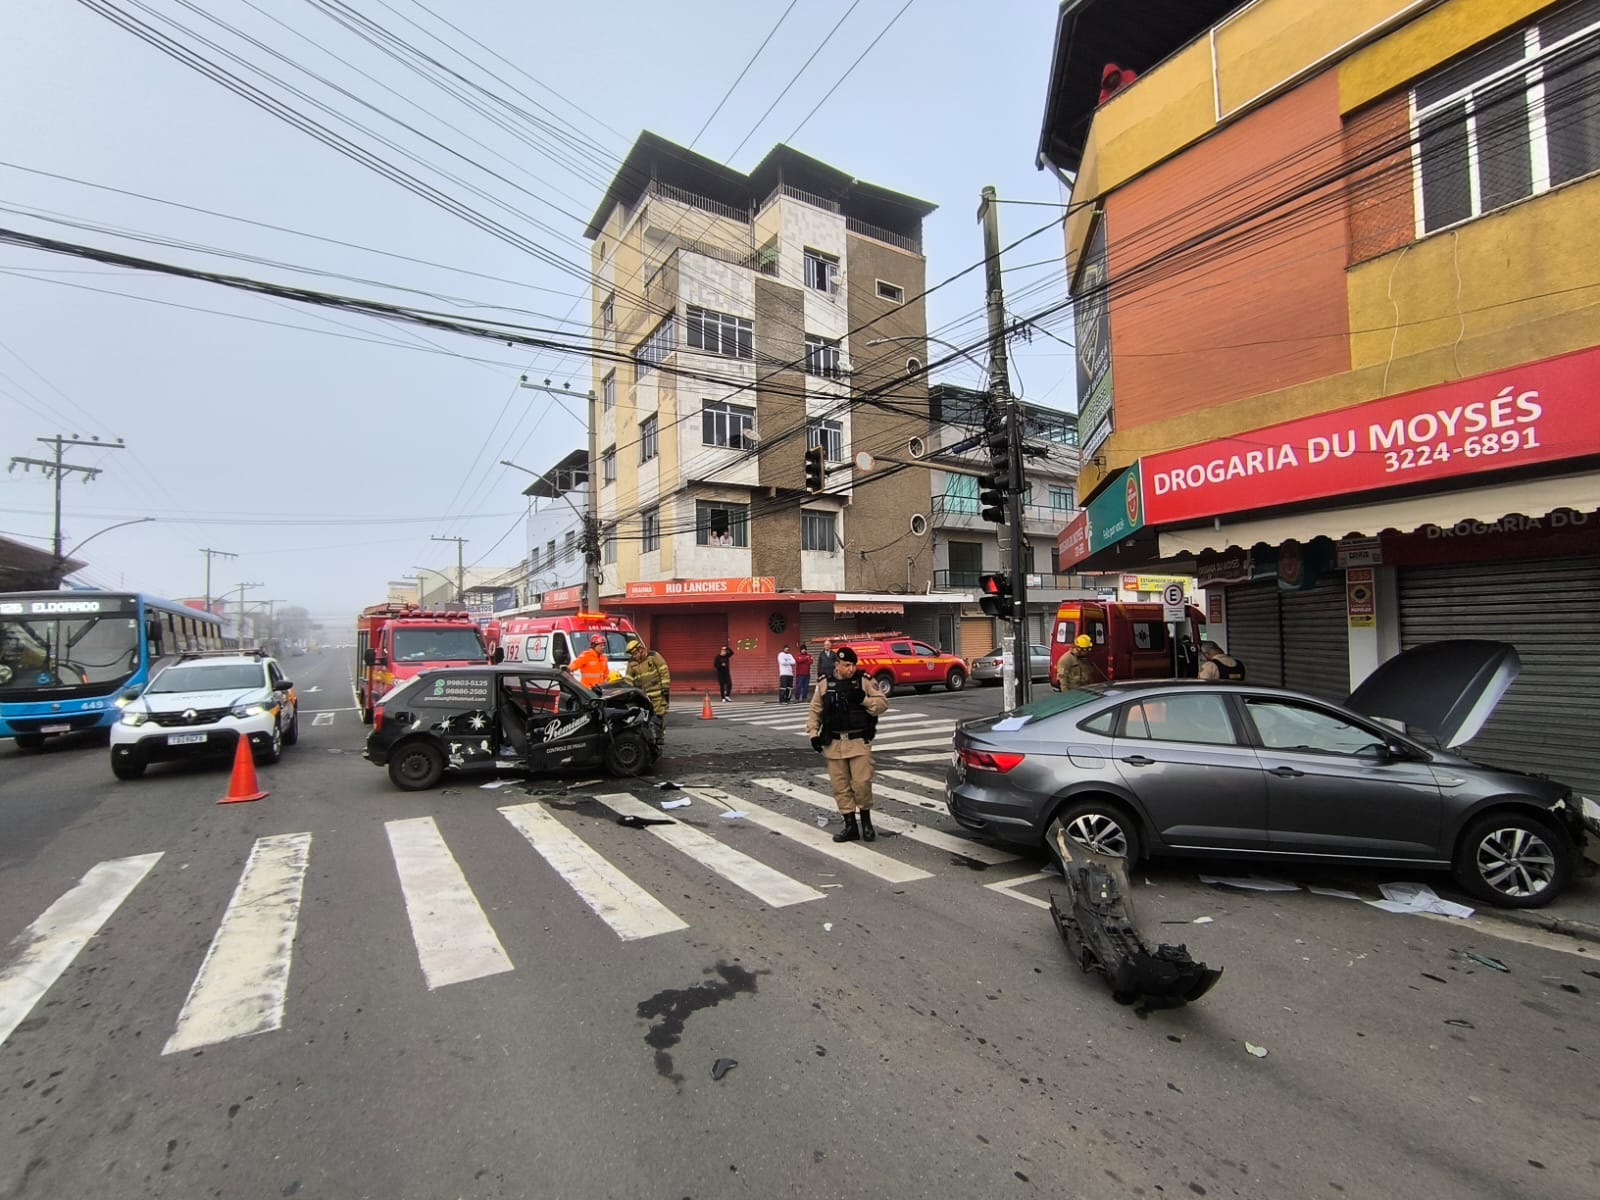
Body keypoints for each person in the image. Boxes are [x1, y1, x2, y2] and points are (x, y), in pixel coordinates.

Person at [807, 646, 890, 843]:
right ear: (837, 664)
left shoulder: (864, 680)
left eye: (853, 665)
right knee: (840, 787)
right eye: (846, 665)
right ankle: (850, 825)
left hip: (858, 741)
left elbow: (883, 704)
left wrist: (864, 699)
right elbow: (815, 710)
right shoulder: (825, 683)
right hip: (834, 743)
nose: (851, 669)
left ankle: (866, 823)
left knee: (862, 784)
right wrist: (813, 734)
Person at [625, 637, 671, 745]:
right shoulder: (632, 662)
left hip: (657, 693)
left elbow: (663, 671)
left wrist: (665, 687)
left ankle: (658, 737)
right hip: (643, 695)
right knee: (645, 717)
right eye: (632, 654)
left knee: (658, 715)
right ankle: (649, 738)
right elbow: (628, 678)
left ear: (641, 649)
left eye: (635, 653)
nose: (634, 656)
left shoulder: (653, 656)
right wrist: (627, 692)